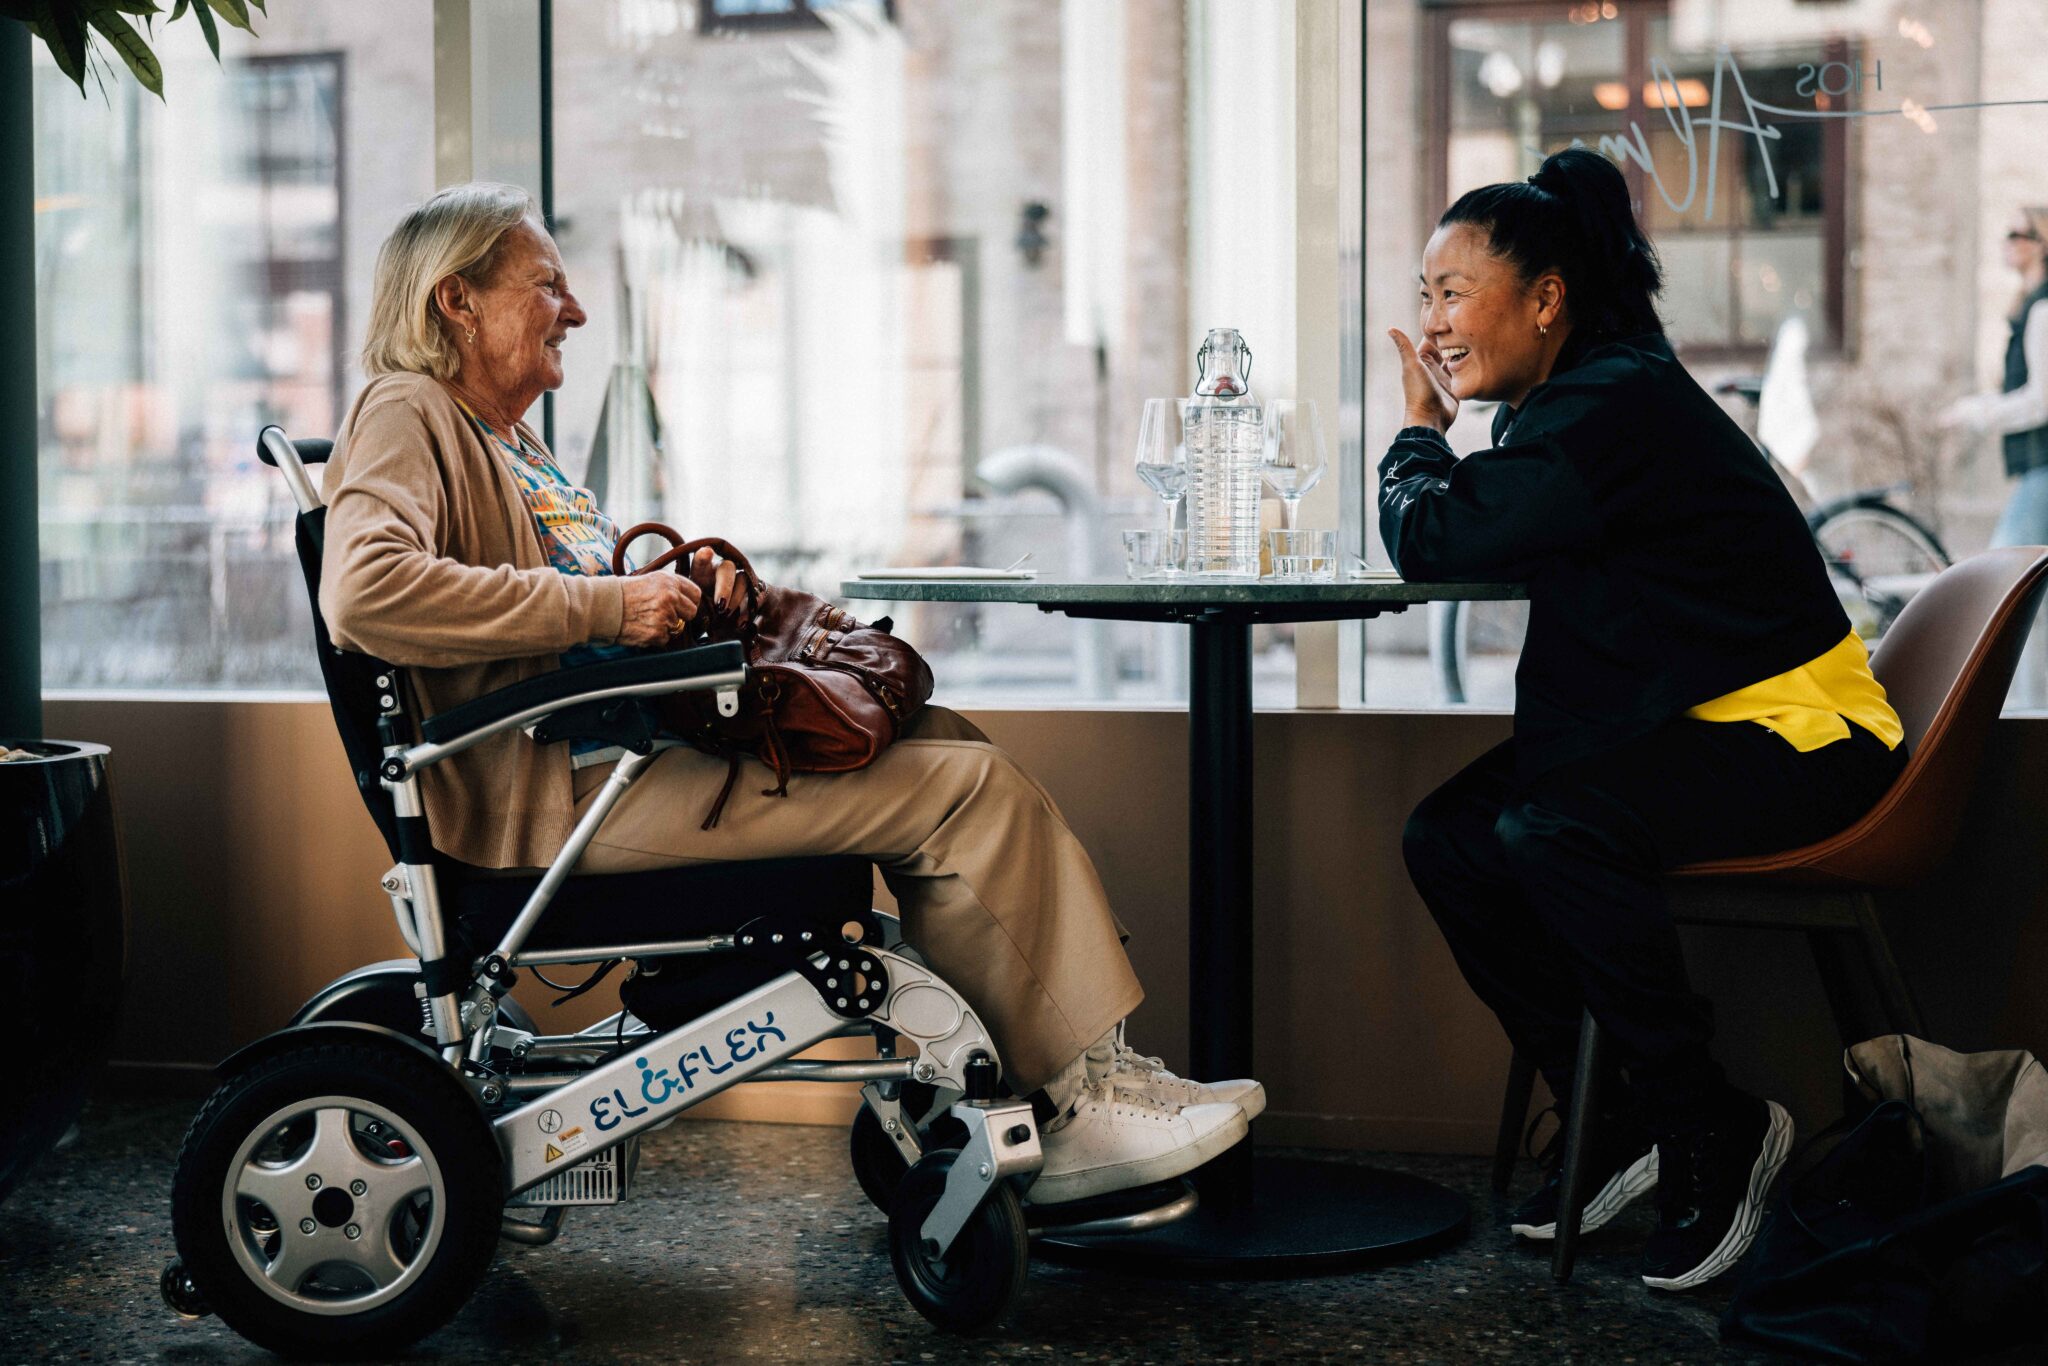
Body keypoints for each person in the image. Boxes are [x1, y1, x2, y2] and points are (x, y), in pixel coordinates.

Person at [320, 181, 1260, 1204]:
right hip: (553, 795)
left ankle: (1086, 1067)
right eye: (548, 284)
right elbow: (364, 591)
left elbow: (554, 601)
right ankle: (1079, 1101)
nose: (575, 312)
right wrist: (606, 610)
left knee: (944, 740)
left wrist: (676, 602)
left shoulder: (507, 439)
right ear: (454, 301)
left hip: (610, 763)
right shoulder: (406, 407)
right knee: (963, 792)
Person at [1381, 148, 1906, 1291]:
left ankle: (1708, 1122)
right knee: (1452, 836)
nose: (1431, 321)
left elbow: (1434, 538)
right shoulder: (1581, 397)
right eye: (1423, 295)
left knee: (1551, 827)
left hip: (1801, 736)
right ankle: (1614, 1114)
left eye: (1453, 292)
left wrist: (1419, 434)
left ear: (1545, 298)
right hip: (1688, 721)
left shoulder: (1604, 405)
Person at [1941, 205, 2048, 707]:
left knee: (2010, 584)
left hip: (2044, 467)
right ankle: (2025, 709)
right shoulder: (2031, 306)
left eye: (2016, 234)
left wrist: (1977, 412)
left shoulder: (2045, 309)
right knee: (2025, 591)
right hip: (2037, 468)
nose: (2006, 243)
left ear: (2039, 244)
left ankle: (2018, 713)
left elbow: (2041, 400)